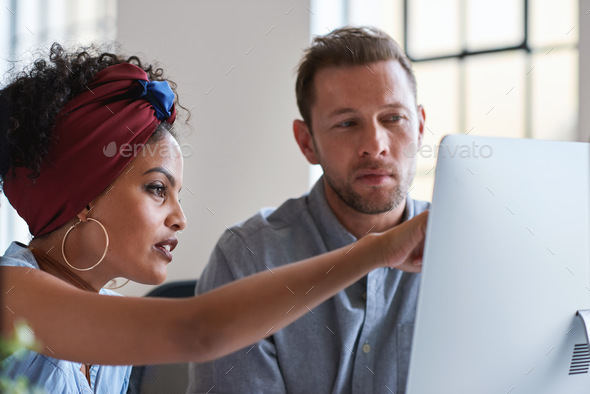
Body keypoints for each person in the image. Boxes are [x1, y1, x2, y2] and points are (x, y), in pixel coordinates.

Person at [0, 43, 428, 393]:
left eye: (177, 194)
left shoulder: (110, 318)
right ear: (84, 195)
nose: (180, 218)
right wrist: (377, 251)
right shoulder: (11, 291)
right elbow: (198, 331)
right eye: (156, 189)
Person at [188, 26, 428, 394]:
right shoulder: (248, 259)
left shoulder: (467, 248)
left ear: (421, 127)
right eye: (347, 123)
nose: (374, 145)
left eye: (393, 119)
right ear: (307, 143)